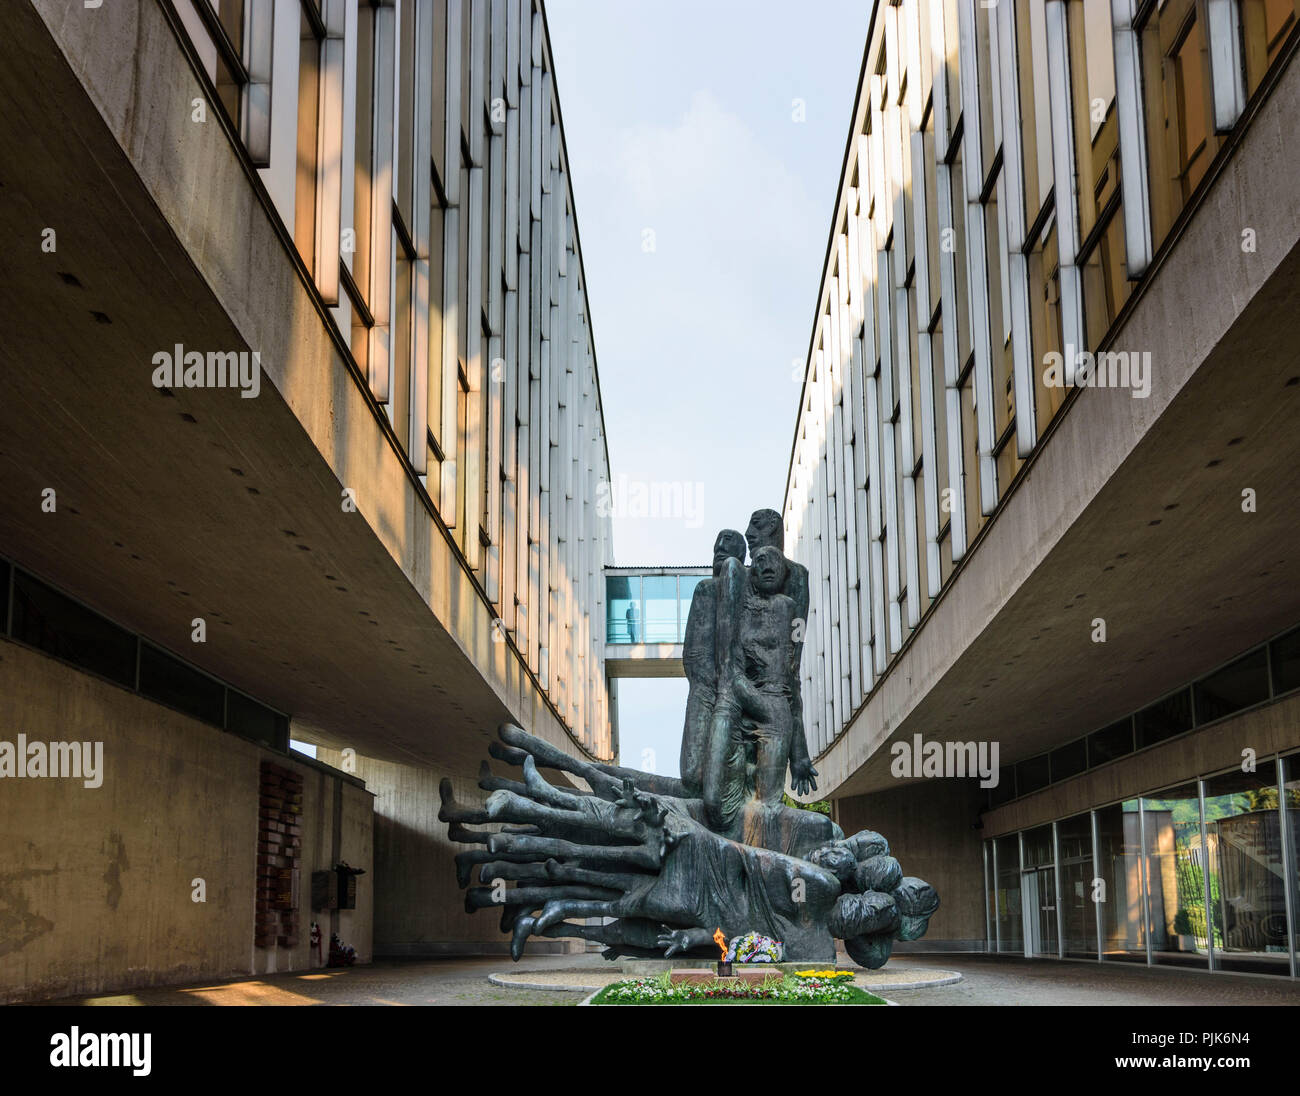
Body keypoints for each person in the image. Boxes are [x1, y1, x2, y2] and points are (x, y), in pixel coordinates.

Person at [678, 529, 747, 797]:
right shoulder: (705, 589)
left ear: (741, 555)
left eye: (727, 545)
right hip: (705, 686)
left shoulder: (747, 591)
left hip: (735, 689)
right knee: (693, 773)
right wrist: (706, 681)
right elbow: (691, 651)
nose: (719, 548)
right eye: (717, 544)